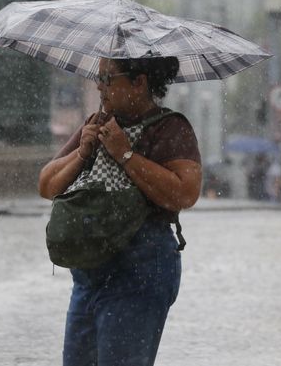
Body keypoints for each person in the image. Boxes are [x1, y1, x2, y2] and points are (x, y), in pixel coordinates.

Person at [38, 56, 202, 366]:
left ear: (139, 82)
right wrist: (83, 152)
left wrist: (124, 152)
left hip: (141, 271)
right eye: (99, 78)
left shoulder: (171, 128)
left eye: (108, 78)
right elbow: (47, 185)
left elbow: (185, 193)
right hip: (89, 270)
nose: (100, 86)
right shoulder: (96, 124)